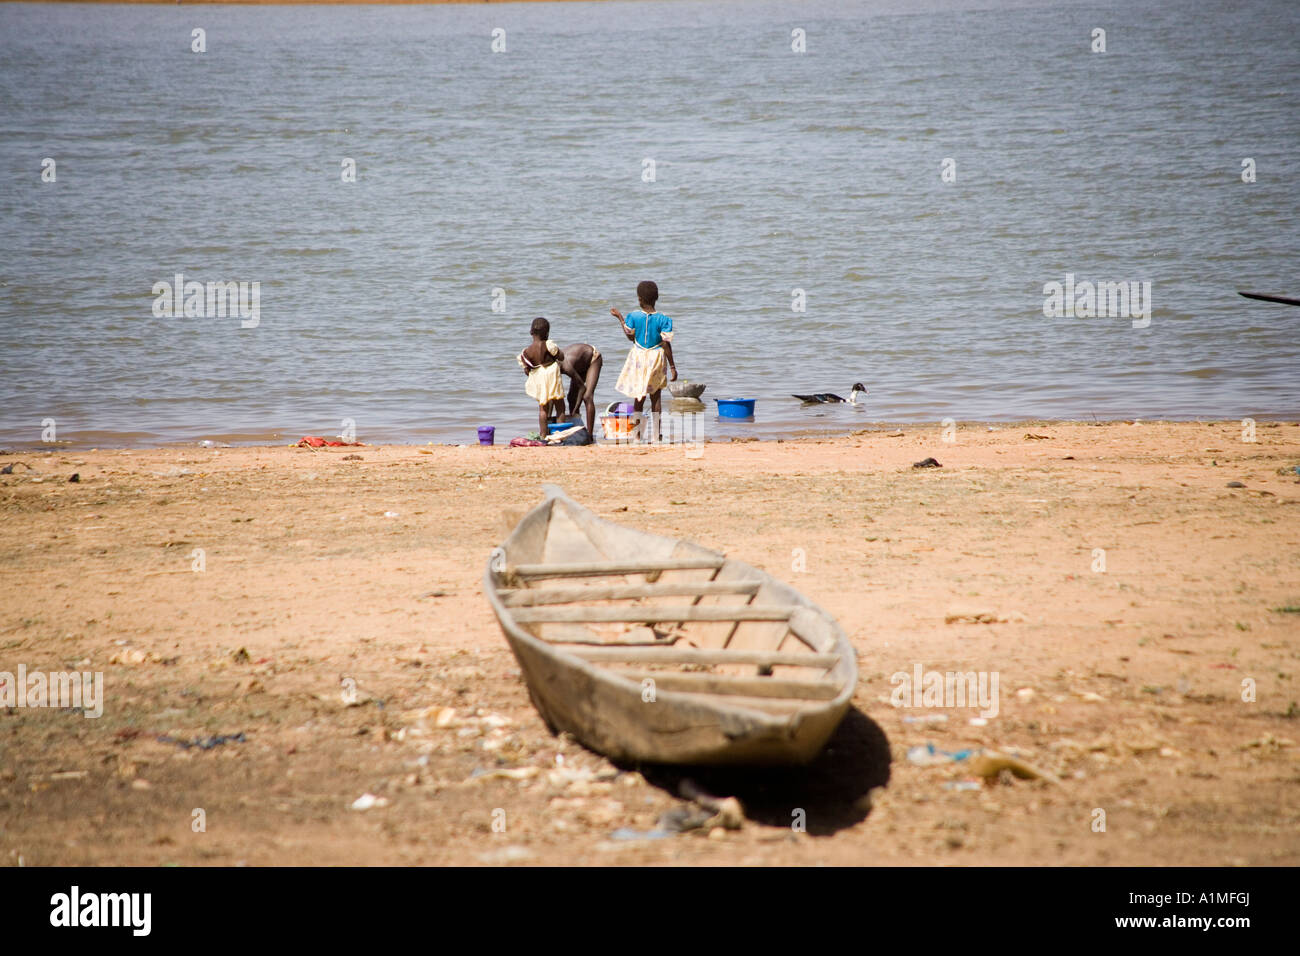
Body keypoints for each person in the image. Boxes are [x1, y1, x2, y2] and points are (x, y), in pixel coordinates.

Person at [611, 280, 676, 441]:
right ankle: (655, 435)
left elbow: (630, 336)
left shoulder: (633, 316)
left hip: (639, 358)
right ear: (657, 298)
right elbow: (666, 344)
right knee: (656, 398)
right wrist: (673, 366)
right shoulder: (663, 319)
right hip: (656, 357)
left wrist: (620, 318)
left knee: (639, 397)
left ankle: (637, 435)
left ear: (639, 299)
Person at [517, 317, 566, 436]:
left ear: (531, 332)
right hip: (552, 375)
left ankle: (543, 435)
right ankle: (559, 435)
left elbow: (526, 370)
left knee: (542, 408)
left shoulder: (526, 352)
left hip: (538, 377)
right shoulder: (549, 345)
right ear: (547, 333)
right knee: (560, 406)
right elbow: (561, 356)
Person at [559, 343, 602, 443]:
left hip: (593, 359)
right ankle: (578, 431)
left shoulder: (566, 366)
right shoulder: (552, 368)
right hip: (580, 364)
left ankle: (590, 436)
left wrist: (575, 410)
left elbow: (582, 387)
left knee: (587, 397)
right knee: (571, 398)